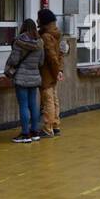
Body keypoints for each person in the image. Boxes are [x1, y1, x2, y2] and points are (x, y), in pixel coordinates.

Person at [5, 19, 44, 143]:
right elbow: (41, 62)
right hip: (34, 76)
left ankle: (25, 134)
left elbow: (14, 60)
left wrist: (9, 65)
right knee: (33, 104)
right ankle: (35, 132)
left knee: (23, 105)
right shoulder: (40, 42)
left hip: (21, 77)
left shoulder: (18, 42)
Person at [37, 8, 66, 137]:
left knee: (48, 100)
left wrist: (56, 71)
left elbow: (51, 56)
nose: (37, 20)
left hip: (47, 74)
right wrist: (59, 70)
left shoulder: (46, 37)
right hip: (54, 73)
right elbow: (60, 55)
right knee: (54, 99)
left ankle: (47, 128)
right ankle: (55, 125)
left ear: (43, 21)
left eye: (39, 18)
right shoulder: (56, 34)